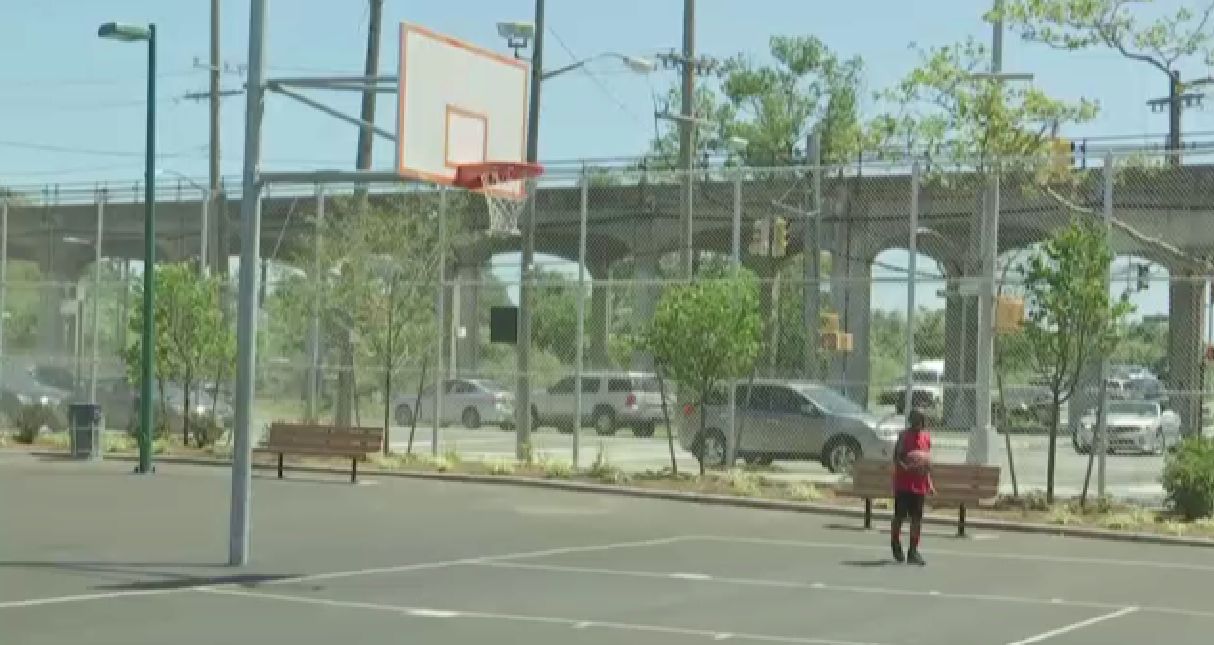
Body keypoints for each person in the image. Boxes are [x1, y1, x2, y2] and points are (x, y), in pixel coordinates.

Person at [891, 409, 934, 566]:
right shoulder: (904, 436)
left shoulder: (926, 437)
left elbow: (926, 463)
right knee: (900, 516)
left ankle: (913, 551)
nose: (920, 423)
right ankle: (895, 542)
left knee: (917, 518)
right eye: (917, 420)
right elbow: (896, 458)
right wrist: (907, 468)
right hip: (904, 484)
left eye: (922, 420)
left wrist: (929, 482)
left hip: (919, 485)